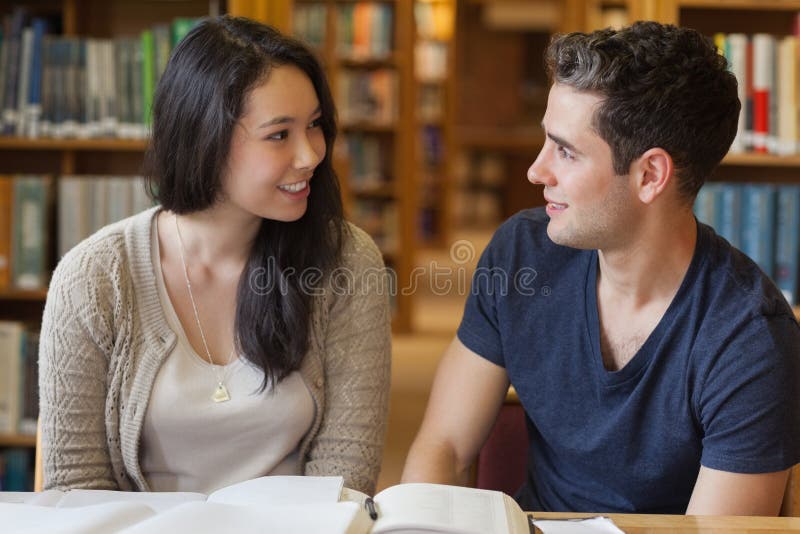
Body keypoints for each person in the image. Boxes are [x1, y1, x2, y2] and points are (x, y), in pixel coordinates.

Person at [402, 21, 800, 515]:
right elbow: (444, 444)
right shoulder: (520, 254)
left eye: (565, 151)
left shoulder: (750, 339)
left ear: (650, 175)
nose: (536, 170)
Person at [39, 16, 391, 495]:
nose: (311, 155)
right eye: (279, 134)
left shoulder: (346, 262)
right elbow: (76, 489)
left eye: (313, 126)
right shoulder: (93, 278)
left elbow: (344, 475)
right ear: (204, 138)